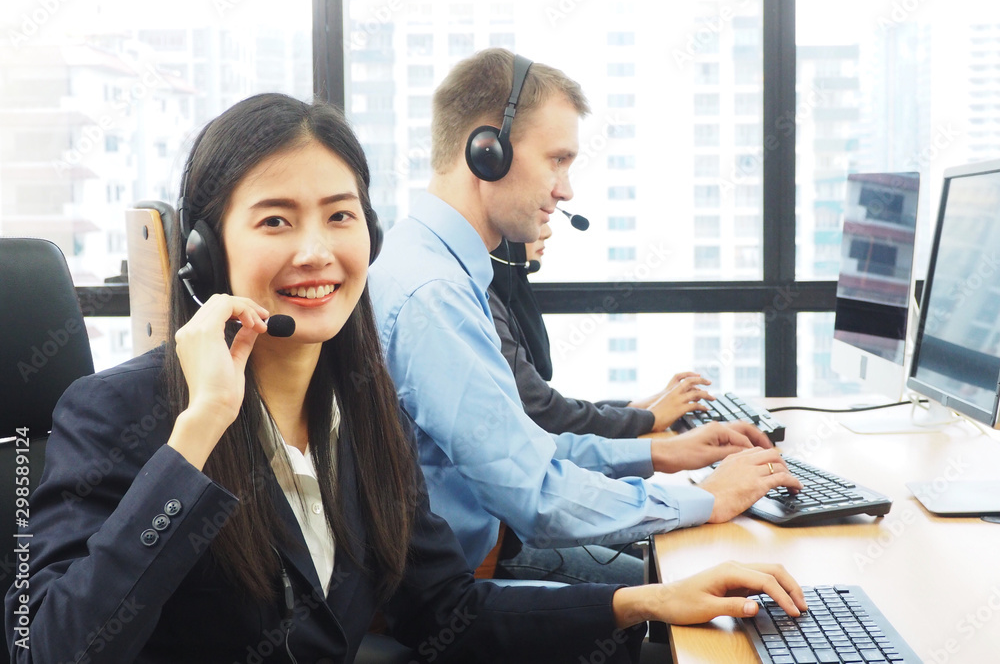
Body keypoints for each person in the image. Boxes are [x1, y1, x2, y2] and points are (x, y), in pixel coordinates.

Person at [4, 93, 809, 663]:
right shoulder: (117, 414)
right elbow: (48, 647)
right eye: (276, 219)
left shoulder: (364, 411)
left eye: (340, 214)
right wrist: (201, 427)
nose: (316, 250)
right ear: (208, 253)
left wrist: (645, 599)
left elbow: (444, 610)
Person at [368, 48, 801, 588]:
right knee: (695, 594)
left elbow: (522, 449)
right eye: (557, 160)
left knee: (688, 574)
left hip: (470, 564)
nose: (566, 189)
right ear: (487, 150)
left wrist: (662, 454)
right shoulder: (435, 297)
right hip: (456, 589)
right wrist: (704, 499)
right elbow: (535, 495)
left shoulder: (431, 265)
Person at [489, 223, 715, 438]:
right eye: (539, 217)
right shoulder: (488, 302)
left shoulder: (503, 293)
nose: (547, 232)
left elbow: (549, 408)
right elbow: (543, 412)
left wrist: (639, 408)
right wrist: (650, 418)